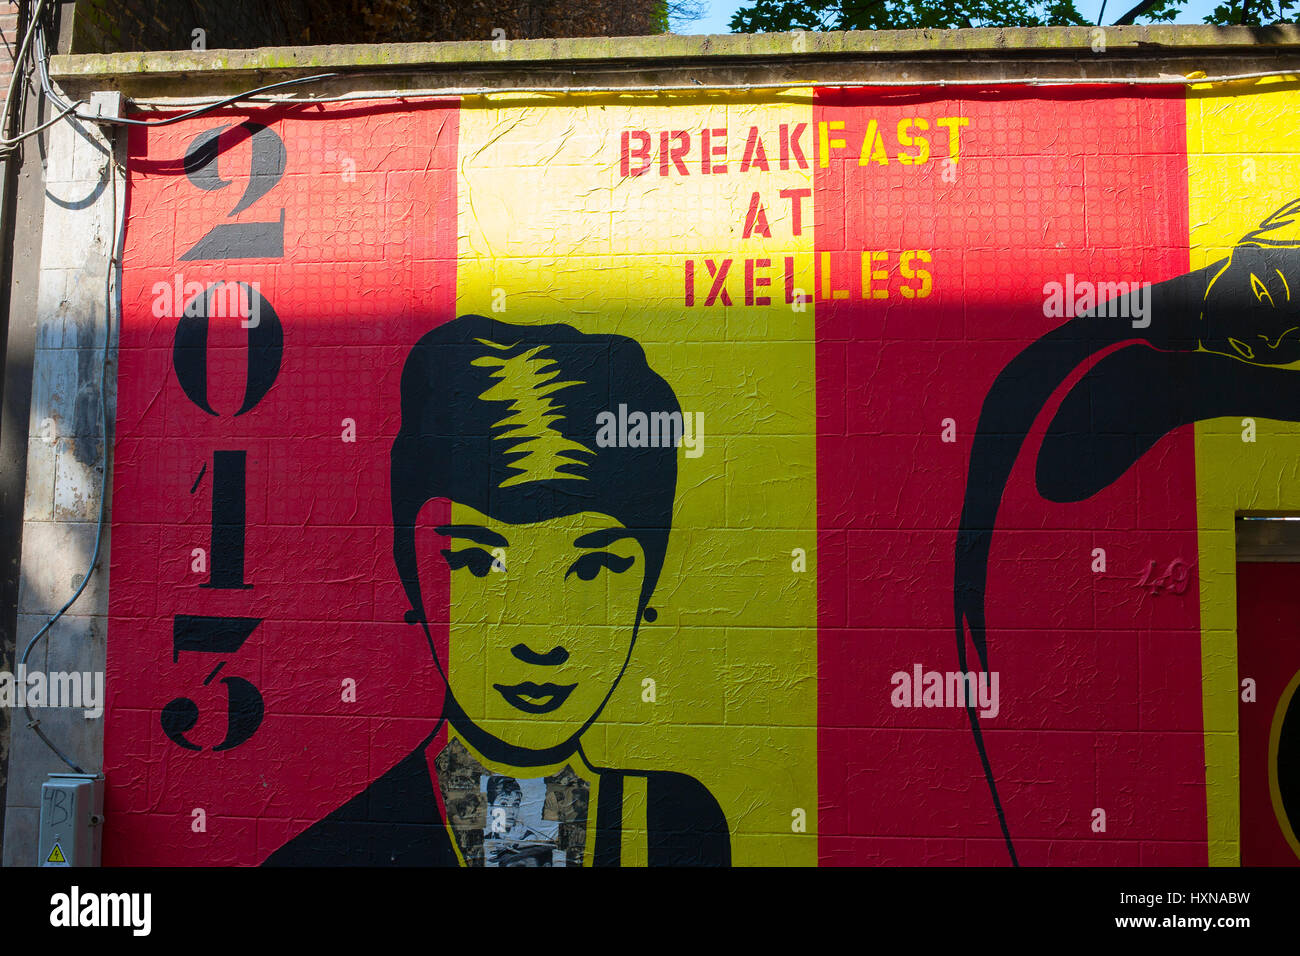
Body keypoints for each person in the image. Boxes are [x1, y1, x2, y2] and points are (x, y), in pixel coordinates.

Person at [265, 314, 729, 866]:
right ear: (409, 579)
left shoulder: (670, 827)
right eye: (476, 563)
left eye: (592, 569)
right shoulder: (336, 852)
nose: (540, 636)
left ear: (646, 592)